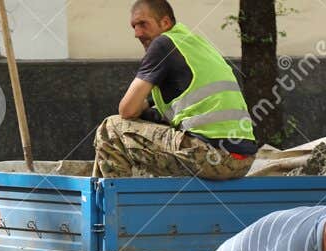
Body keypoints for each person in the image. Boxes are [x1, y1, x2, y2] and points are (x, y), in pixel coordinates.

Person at [93, 0, 256, 179]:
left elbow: (127, 110)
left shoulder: (162, 44)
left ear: (165, 22)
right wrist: (148, 107)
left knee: (111, 127)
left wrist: (140, 107)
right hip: (242, 161)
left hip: (210, 157)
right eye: (134, 26)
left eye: (143, 24)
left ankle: (114, 195)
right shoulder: (195, 44)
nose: (137, 33)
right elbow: (183, 107)